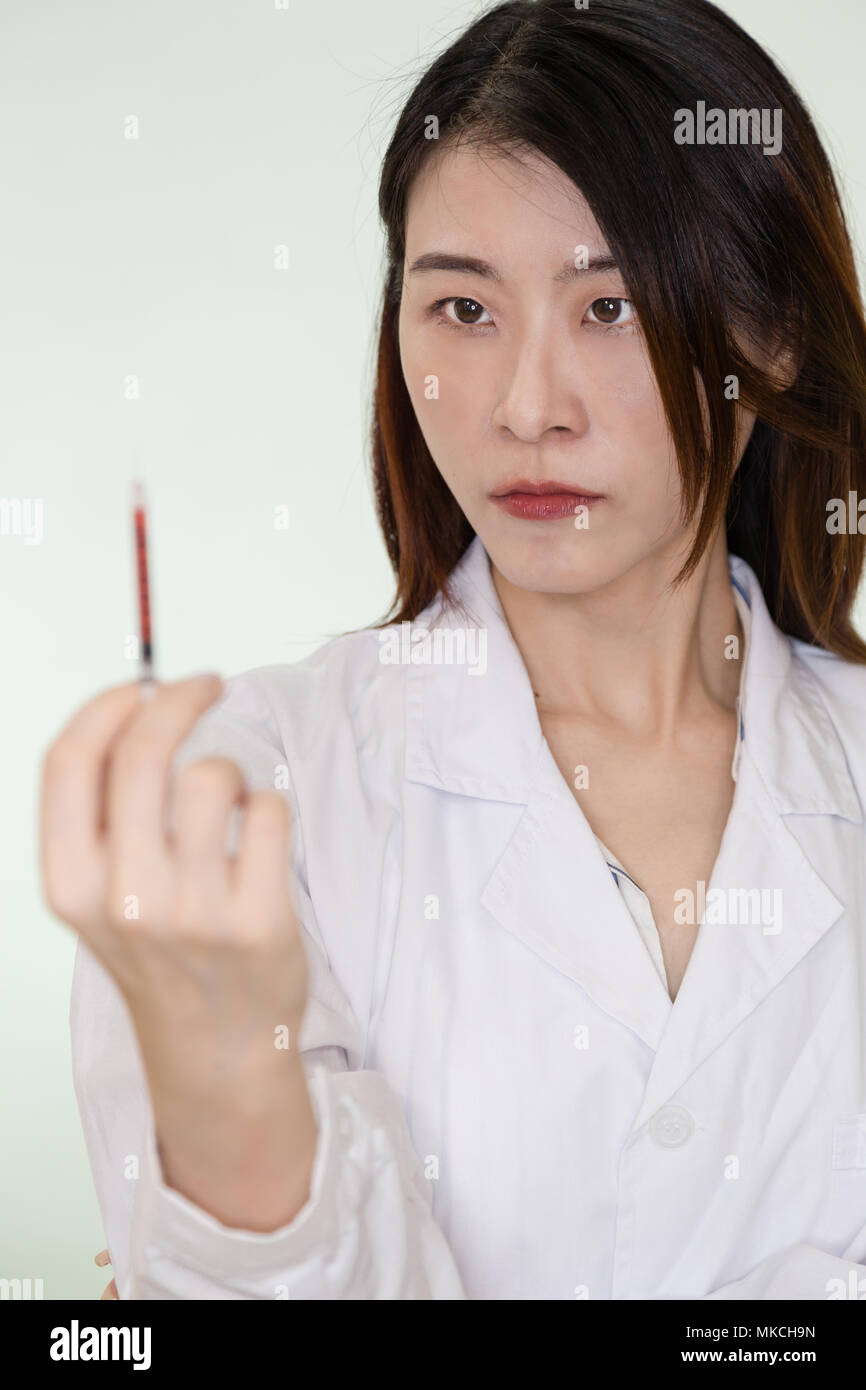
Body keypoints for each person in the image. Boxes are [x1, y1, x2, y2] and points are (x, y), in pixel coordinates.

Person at [41, 0, 866, 1300]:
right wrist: (234, 1105)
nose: (526, 408)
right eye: (464, 309)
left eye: (608, 306)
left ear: (773, 334)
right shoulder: (252, 798)